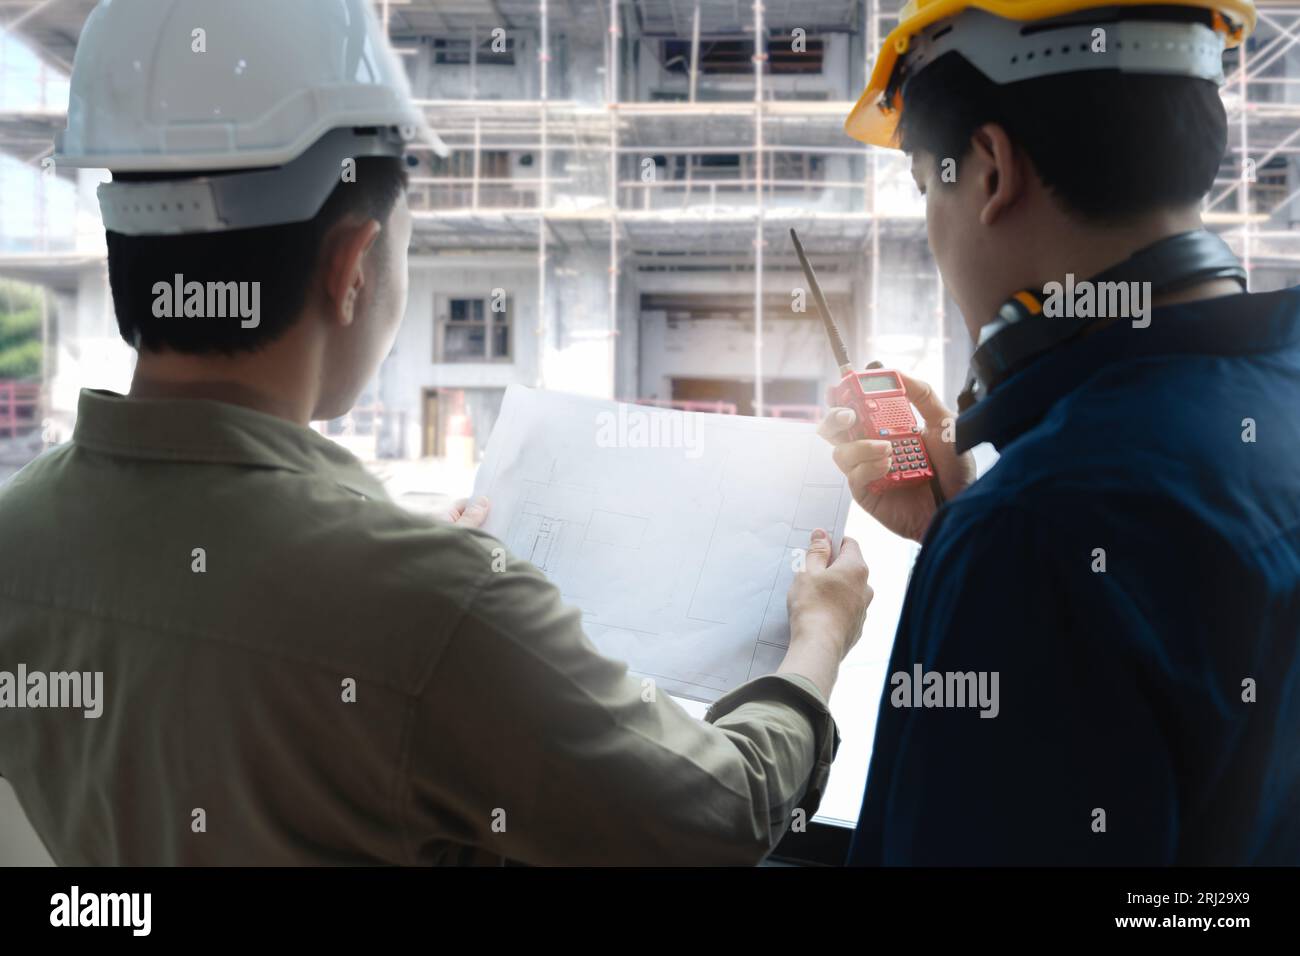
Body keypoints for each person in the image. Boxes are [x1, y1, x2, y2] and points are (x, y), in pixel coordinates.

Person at [0, 0, 871, 865]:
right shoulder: (429, 606)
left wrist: (425, 605)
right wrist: (819, 638)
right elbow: (720, 816)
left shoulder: (20, 533)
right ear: (350, 268)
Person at [826, 0, 1300, 864]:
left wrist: (991, 541)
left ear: (991, 170)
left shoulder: (1038, 531)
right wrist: (962, 521)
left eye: (928, 187)